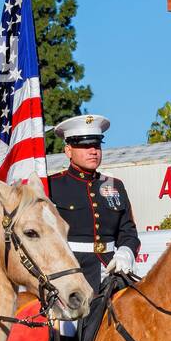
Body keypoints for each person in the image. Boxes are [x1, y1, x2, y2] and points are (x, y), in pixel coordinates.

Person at [47, 114, 141, 294]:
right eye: (84, 146)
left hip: (112, 270)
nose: (93, 151)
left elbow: (128, 231)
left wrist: (126, 253)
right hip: (71, 273)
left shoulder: (114, 185)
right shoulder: (52, 186)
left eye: (96, 145)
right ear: (68, 151)